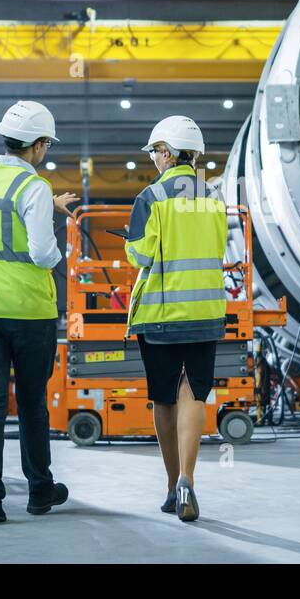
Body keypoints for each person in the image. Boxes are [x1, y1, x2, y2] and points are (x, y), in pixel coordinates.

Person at [0, 100, 77, 526]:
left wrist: (48, 206)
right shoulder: (34, 189)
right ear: (39, 145)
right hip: (28, 312)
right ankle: (40, 491)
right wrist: (52, 224)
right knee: (31, 402)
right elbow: (43, 254)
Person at [124, 115, 228, 522]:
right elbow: (216, 248)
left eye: (154, 152)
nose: (153, 159)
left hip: (161, 315)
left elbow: (141, 255)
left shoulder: (151, 197)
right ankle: (188, 479)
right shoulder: (215, 197)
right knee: (195, 393)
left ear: (167, 152)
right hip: (205, 313)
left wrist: (135, 241)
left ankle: (171, 488)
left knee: (164, 398)